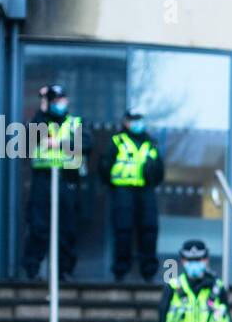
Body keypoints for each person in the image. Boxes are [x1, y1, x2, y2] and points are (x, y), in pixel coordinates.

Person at [22, 83, 86, 281]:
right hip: (43, 179)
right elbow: (28, 142)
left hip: (67, 180)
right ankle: (32, 270)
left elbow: (86, 144)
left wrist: (59, 143)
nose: (58, 104)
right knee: (38, 226)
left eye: (60, 100)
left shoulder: (74, 123)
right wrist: (42, 109)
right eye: (53, 101)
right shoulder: (40, 122)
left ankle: (64, 271)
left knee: (66, 227)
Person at [101, 109, 163, 282]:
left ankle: (148, 272)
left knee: (149, 229)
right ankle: (120, 271)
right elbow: (104, 167)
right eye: (133, 120)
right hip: (123, 191)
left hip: (146, 191)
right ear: (126, 122)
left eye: (139, 120)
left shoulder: (151, 143)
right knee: (123, 230)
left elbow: (160, 170)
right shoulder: (117, 141)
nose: (137, 124)